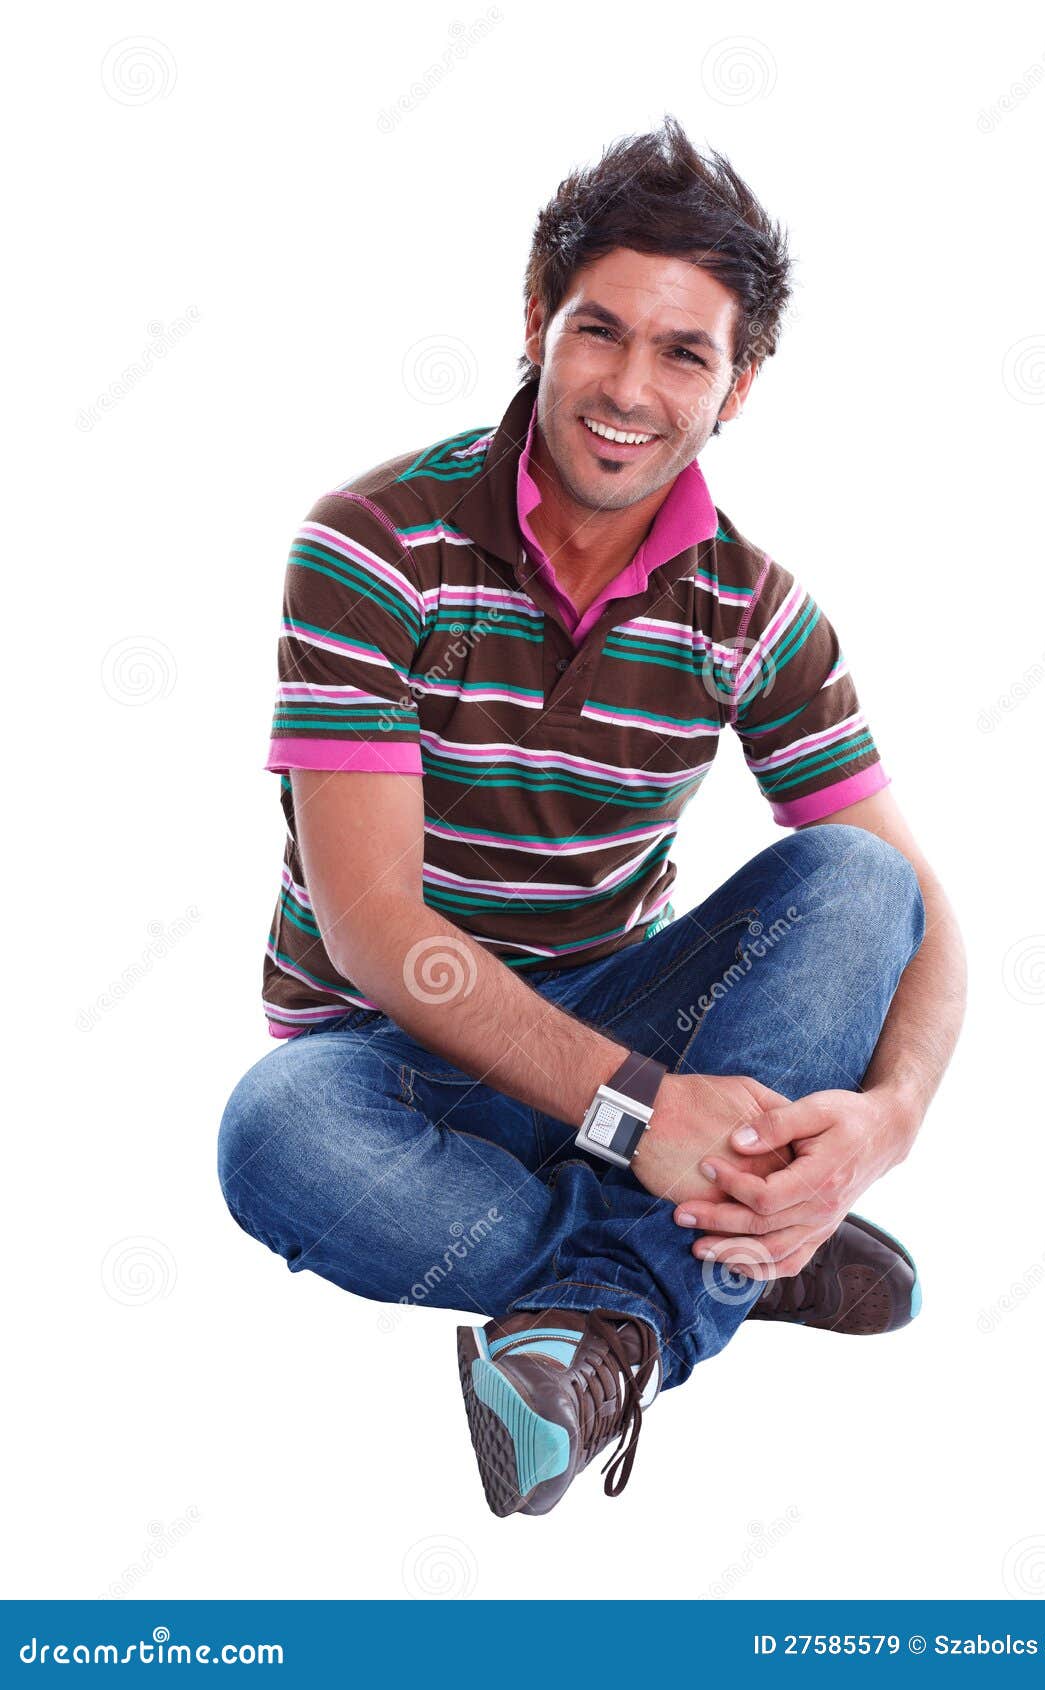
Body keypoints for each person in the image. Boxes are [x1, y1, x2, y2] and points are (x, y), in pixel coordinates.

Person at [217, 114, 967, 1518]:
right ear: (534, 325)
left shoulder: (756, 610)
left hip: (625, 1016)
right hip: (395, 1063)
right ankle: (722, 1261)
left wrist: (886, 1122)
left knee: (856, 878)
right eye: (598, 331)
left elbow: (919, 915)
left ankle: (625, 1305)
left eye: (684, 352)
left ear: (737, 384)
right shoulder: (372, 545)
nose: (629, 386)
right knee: (271, 1138)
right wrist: (640, 1122)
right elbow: (379, 932)